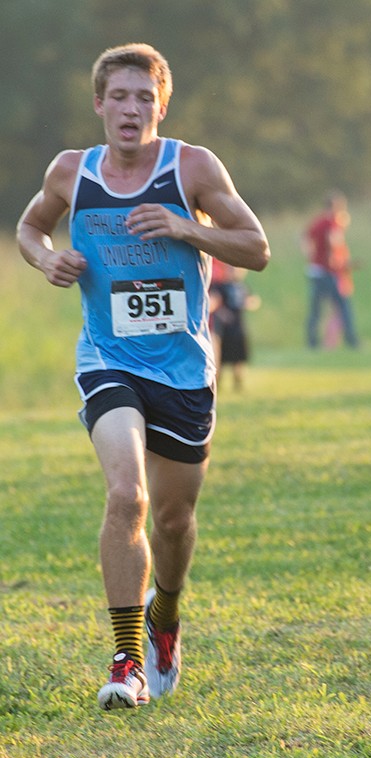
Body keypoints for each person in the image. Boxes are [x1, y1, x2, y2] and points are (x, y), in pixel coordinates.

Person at [15, 43, 270, 710]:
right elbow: (31, 227)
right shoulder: (72, 171)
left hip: (183, 371)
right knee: (127, 495)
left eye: (144, 98)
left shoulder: (192, 167)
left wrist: (187, 228)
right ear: (99, 103)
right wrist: (46, 259)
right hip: (108, 359)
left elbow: (257, 248)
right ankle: (126, 657)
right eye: (120, 97)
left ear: (162, 106)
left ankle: (167, 612)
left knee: (175, 522)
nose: (132, 109)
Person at [304, 191, 359, 349]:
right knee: (343, 306)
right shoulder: (333, 223)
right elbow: (334, 243)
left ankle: (312, 342)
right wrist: (342, 263)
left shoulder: (318, 221)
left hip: (315, 270)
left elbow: (305, 238)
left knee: (316, 309)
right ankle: (351, 340)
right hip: (330, 272)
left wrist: (311, 255)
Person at [209, 257, 260, 391]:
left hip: (238, 326)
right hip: (224, 328)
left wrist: (251, 303)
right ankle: (217, 382)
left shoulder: (242, 287)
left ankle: (238, 383)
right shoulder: (220, 286)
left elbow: (250, 300)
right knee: (221, 357)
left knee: (239, 357)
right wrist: (222, 313)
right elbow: (216, 302)